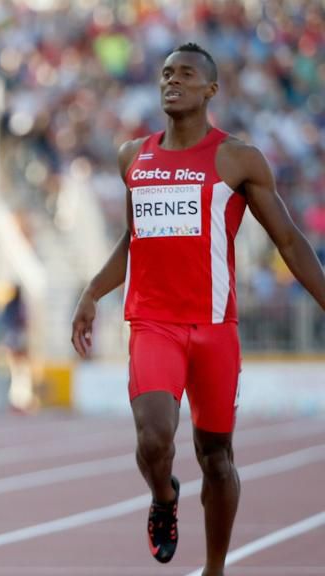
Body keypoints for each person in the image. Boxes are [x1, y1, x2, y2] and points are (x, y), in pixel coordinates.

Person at [70, 43, 325, 576]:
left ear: (211, 89)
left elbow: (290, 242)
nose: (172, 81)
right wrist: (93, 291)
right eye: (165, 73)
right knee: (154, 436)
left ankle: (214, 568)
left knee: (217, 458)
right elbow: (135, 238)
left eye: (186, 74)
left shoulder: (236, 158)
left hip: (214, 330)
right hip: (154, 325)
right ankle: (164, 496)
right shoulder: (132, 157)